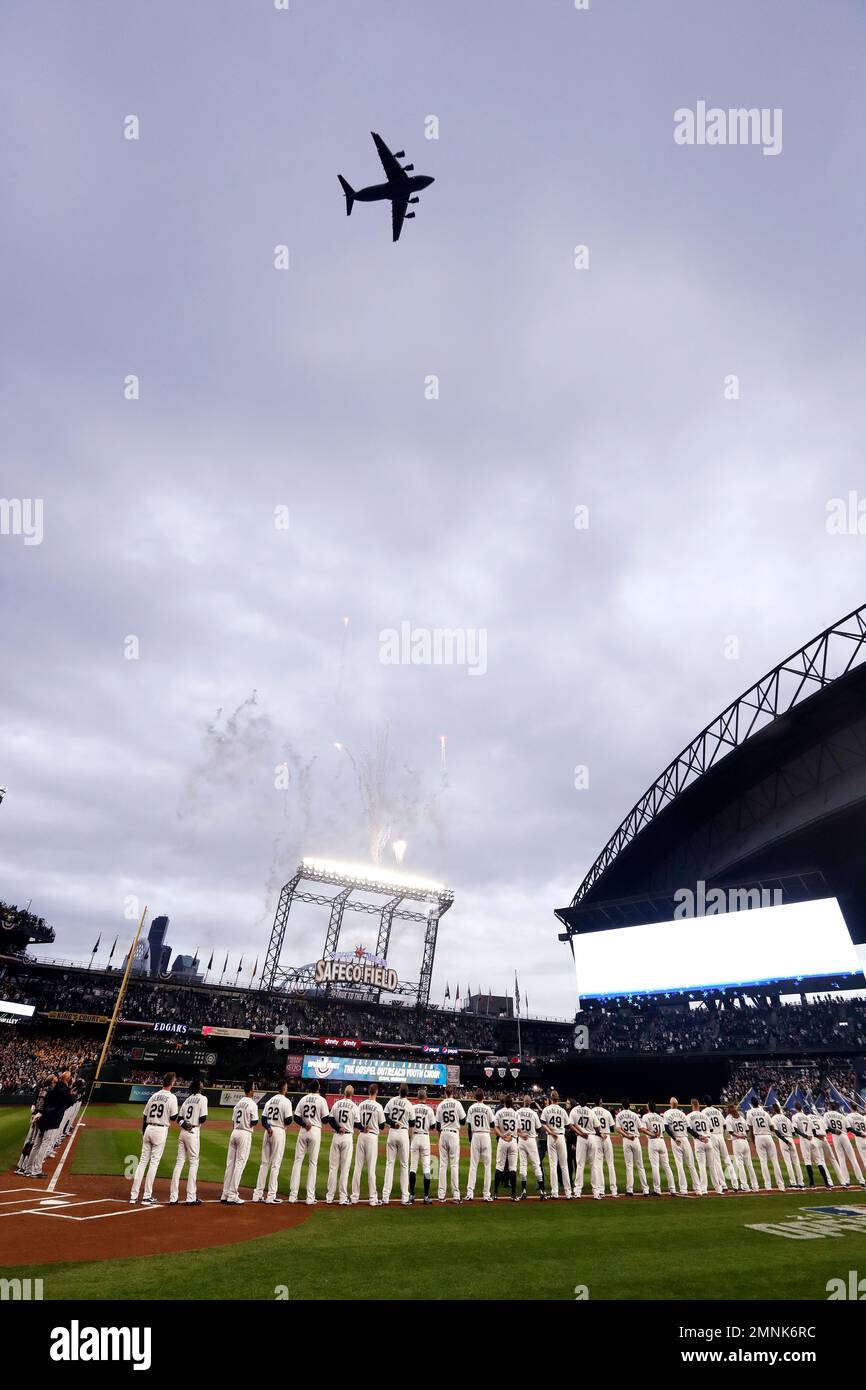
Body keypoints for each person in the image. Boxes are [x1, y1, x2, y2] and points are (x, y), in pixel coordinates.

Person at [130, 1072, 179, 1205]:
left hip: (148, 1129)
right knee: (154, 1163)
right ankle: (146, 1196)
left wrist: (143, 1132)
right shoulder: (172, 1097)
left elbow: (145, 1116)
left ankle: (133, 1196)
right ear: (172, 1083)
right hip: (160, 1130)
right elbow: (174, 1117)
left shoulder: (154, 1096)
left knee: (142, 1162)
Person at [289, 1080, 329, 1205]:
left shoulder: (303, 1099)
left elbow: (296, 1117)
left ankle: (292, 1196)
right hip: (315, 1130)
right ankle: (310, 1197)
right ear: (318, 1088)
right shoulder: (322, 1100)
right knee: (313, 1163)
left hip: (303, 1131)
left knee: (297, 1161)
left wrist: (304, 1124)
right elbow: (326, 1119)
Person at [169, 1077, 208, 1206]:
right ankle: (191, 1197)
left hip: (183, 1132)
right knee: (193, 1163)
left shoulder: (187, 1100)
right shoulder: (203, 1099)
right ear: (199, 1086)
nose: (202, 1084)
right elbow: (203, 1119)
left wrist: (184, 1124)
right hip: (193, 1132)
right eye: (201, 1082)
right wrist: (191, 1123)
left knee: (179, 1163)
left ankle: (173, 1197)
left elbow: (178, 1119)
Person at [253, 1080, 293, 1204]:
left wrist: (268, 1128)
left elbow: (263, 1119)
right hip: (279, 1132)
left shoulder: (270, 1100)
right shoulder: (286, 1101)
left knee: (264, 1163)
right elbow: (289, 1120)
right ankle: (271, 1195)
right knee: (275, 1164)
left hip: (268, 1131)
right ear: (284, 1088)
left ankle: (257, 1194)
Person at [220, 1080, 259, 1205]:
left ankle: (225, 1193)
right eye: (254, 1088)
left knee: (230, 1164)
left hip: (234, 1132)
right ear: (251, 1090)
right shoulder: (252, 1104)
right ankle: (232, 1194)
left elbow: (233, 1121)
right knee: (239, 1164)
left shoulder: (238, 1104)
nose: (254, 1090)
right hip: (244, 1133)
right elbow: (254, 1122)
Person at [382, 1084, 415, 1206]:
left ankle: (385, 1197)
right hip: (403, 1133)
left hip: (392, 1133)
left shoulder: (391, 1101)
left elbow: (385, 1117)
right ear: (407, 1093)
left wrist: (392, 1123)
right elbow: (412, 1123)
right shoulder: (409, 1104)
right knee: (404, 1166)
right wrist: (410, 1138)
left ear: (399, 1091)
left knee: (389, 1164)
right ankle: (405, 1197)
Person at [352, 1085, 386, 1206]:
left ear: (368, 1091)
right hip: (372, 1136)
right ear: (376, 1092)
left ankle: (355, 1197)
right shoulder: (378, 1106)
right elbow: (382, 1126)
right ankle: (372, 1198)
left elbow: (356, 1122)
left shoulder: (360, 1105)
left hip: (361, 1136)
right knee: (371, 1168)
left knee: (358, 1166)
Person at [326, 1084, 358, 1206]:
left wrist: (338, 1127)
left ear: (344, 1093)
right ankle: (343, 1197)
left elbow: (330, 1119)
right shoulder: (354, 1106)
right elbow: (357, 1124)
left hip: (336, 1137)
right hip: (347, 1137)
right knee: (345, 1169)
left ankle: (329, 1197)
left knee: (333, 1168)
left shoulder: (336, 1104)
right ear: (352, 1094)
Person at [661, 1097, 700, 1195]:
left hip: (676, 1140)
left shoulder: (667, 1113)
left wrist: (674, 1138)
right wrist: (699, 1136)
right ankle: (698, 1189)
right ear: (677, 1104)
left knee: (680, 1165)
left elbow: (666, 1128)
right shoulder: (682, 1114)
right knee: (691, 1165)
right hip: (685, 1139)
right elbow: (689, 1129)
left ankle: (683, 1189)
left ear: (670, 1104)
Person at [746, 1097, 785, 1192]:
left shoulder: (749, 1113)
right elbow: (772, 1127)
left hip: (758, 1137)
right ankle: (781, 1186)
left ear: (752, 1104)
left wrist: (754, 1142)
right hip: (768, 1136)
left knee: (763, 1162)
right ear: (758, 1103)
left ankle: (768, 1186)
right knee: (775, 1161)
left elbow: (750, 1129)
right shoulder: (765, 1113)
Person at [687, 1098, 725, 1195]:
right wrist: (705, 1135)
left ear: (692, 1105)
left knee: (702, 1166)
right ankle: (718, 1188)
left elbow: (689, 1129)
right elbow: (711, 1130)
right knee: (712, 1166)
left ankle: (704, 1189)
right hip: (708, 1140)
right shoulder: (704, 1115)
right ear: (698, 1105)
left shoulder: (689, 1116)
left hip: (699, 1141)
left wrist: (699, 1136)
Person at [435, 1085, 465, 1203]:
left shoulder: (441, 1105)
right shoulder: (457, 1104)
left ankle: (441, 1195)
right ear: (453, 1092)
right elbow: (463, 1120)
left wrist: (440, 1136)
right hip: (453, 1134)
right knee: (454, 1165)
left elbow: (437, 1126)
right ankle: (456, 1195)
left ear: (445, 1093)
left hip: (443, 1134)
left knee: (443, 1164)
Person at [465, 1089, 496, 1202]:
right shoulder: (487, 1108)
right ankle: (486, 1195)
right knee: (487, 1166)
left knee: (473, 1166)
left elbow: (469, 1126)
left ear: (475, 1097)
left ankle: (470, 1193)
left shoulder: (471, 1108)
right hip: (485, 1135)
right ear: (483, 1097)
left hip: (475, 1135)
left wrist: (470, 1140)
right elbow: (492, 1124)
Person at [568, 1094, 602, 1200]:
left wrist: (580, 1132)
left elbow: (571, 1125)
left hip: (581, 1138)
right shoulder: (590, 1111)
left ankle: (577, 1191)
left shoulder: (574, 1110)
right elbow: (597, 1128)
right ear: (586, 1102)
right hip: (591, 1137)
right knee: (594, 1165)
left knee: (580, 1164)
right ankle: (596, 1192)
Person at [541, 1091, 572, 1199]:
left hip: (551, 1137)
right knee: (564, 1165)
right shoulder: (562, 1110)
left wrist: (550, 1131)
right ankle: (568, 1193)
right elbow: (568, 1126)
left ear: (550, 1099)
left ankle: (555, 1192)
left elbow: (543, 1124)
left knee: (553, 1165)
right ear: (558, 1099)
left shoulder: (546, 1109)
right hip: (560, 1137)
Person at [640, 1103, 677, 1196]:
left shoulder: (645, 1116)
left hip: (653, 1142)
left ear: (648, 1107)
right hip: (662, 1141)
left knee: (655, 1166)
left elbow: (643, 1130)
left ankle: (657, 1189)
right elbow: (663, 1130)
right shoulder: (660, 1117)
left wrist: (652, 1134)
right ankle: (672, 1189)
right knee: (666, 1166)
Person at [615, 1100, 649, 1196]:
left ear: (622, 1105)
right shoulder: (634, 1115)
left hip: (626, 1140)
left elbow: (618, 1129)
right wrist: (651, 1134)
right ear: (629, 1105)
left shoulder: (619, 1115)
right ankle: (645, 1190)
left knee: (629, 1165)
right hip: (635, 1140)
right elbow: (641, 1128)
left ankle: (629, 1190)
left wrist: (627, 1135)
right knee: (640, 1165)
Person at [409, 1087, 436, 1205]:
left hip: (415, 1137)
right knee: (426, 1167)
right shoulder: (429, 1110)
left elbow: (409, 1123)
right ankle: (426, 1196)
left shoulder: (412, 1108)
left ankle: (412, 1195)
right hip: (425, 1137)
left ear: (417, 1097)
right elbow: (433, 1126)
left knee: (413, 1167)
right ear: (426, 1097)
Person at [517, 1094, 547, 1200]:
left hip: (521, 1140)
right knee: (536, 1165)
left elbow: (516, 1128)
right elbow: (539, 1129)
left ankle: (524, 1191)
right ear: (530, 1103)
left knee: (523, 1165)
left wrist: (521, 1134)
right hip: (531, 1140)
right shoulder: (533, 1113)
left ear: (523, 1102)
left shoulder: (518, 1112)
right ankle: (542, 1192)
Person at [725, 1104, 759, 1192]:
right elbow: (747, 1130)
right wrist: (743, 1136)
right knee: (749, 1164)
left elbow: (731, 1132)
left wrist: (738, 1136)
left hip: (737, 1142)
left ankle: (745, 1186)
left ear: (729, 1110)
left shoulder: (729, 1118)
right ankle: (755, 1186)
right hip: (745, 1142)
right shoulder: (741, 1117)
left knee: (740, 1164)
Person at [770, 1104, 804, 1190]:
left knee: (788, 1162)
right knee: (796, 1162)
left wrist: (785, 1140)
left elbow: (777, 1132)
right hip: (791, 1139)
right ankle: (801, 1183)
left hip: (784, 1140)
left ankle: (793, 1183)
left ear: (774, 1111)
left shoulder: (773, 1118)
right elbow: (793, 1133)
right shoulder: (787, 1118)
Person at [493, 1096, 519, 1201]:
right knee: (512, 1168)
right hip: (513, 1140)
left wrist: (502, 1135)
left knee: (499, 1166)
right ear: (512, 1103)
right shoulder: (515, 1113)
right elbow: (518, 1129)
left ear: (504, 1103)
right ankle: (513, 1194)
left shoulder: (499, 1112)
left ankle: (495, 1193)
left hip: (503, 1140)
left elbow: (495, 1127)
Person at [591, 1097, 618, 1197]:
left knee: (598, 1165)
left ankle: (601, 1190)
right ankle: (614, 1191)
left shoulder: (591, 1111)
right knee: (610, 1164)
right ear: (601, 1102)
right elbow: (612, 1129)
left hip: (596, 1138)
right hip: (607, 1137)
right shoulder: (607, 1112)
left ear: (594, 1102)